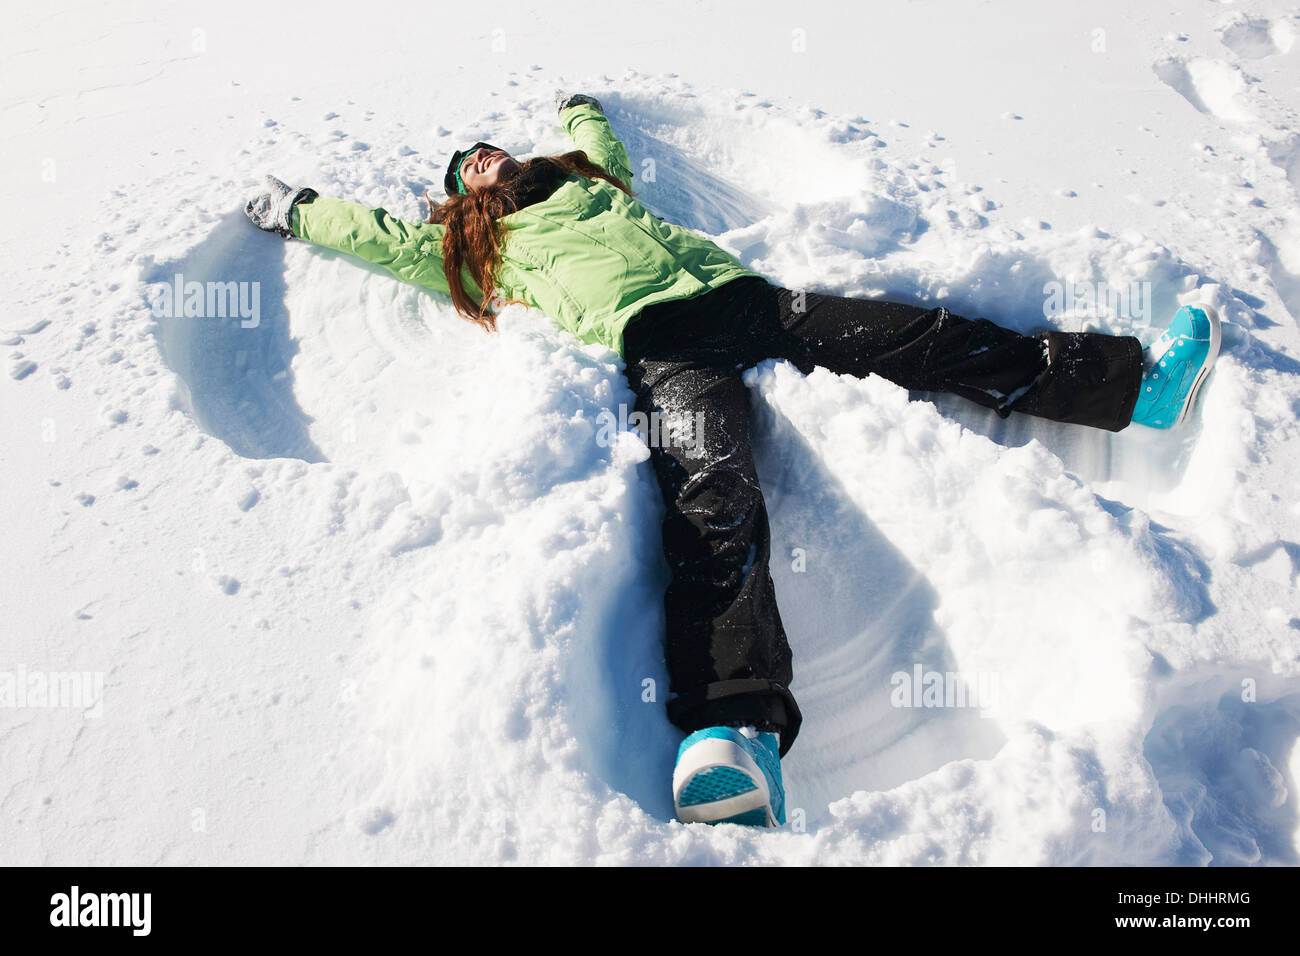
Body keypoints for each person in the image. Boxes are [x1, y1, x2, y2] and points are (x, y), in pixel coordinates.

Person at [245, 90, 1221, 829]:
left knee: (926, 336)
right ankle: (732, 734)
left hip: (748, 298)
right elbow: (375, 236)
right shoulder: (482, 244)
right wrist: (298, 208)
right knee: (711, 500)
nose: (488, 161)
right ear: (463, 196)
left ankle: (1131, 387)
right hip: (658, 340)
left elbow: (597, 140)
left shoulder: (586, 182)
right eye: (471, 166)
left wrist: (577, 106)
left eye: (493, 148)